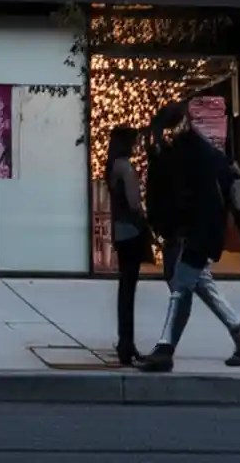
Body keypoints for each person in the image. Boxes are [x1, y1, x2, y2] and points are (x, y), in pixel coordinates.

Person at [138, 103, 240, 373]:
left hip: (193, 234)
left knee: (181, 289)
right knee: (199, 284)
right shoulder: (201, 152)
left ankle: (165, 348)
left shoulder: (184, 155)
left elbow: (182, 199)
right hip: (200, 232)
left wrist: (168, 227)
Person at [106, 126, 148, 365]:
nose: (136, 146)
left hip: (119, 230)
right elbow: (134, 202)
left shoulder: (112, 166)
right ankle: (127, 342)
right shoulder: (125, 167)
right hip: (132, 230)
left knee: (125, 288)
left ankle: (125, 340)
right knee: (130, 288)